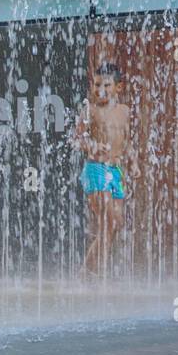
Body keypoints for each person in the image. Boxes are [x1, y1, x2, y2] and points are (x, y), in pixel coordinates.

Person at [74, 62, 130, 277]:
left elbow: (126, 141)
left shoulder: (124, 112)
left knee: (116, 223)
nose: (100, 90)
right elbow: (76, 139)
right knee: (108, 222)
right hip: (96, 169)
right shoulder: (90, 110)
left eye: (106, 85)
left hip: (115, 172)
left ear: (118, 87)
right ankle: (86, 274)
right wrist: (92, 146)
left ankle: (94, 272)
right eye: (97, 85)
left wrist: (133, 162)